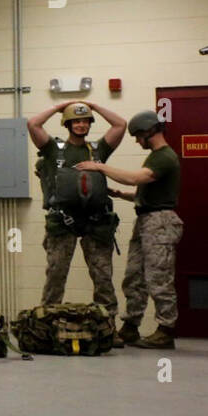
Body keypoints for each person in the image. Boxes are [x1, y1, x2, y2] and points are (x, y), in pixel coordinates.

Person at [77, 110, 183, 349]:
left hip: (160, 223)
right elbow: (143, 191)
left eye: (137, 136)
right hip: (146, 220)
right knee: (134, 277)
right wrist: (119, 194)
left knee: (159, 278)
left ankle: (166, 330)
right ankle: (131, 327)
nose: (136, 141)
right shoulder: (156, 157)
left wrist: (100, 167)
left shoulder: (164, 157)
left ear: (148, 132)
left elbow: (136, 179)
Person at [27, 102, 126, 329]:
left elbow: (120, 124)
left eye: (85, 121)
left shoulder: (98, 149)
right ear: (67, 124)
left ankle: (108, 326)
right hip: (63, 222)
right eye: (76, 121)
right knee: (56, 274)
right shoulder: (54, 149)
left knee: (103, 277)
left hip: (96, 222)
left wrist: (94, 106)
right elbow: (33, 124)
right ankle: (48, 325)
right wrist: (59, 106)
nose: (81, 125)